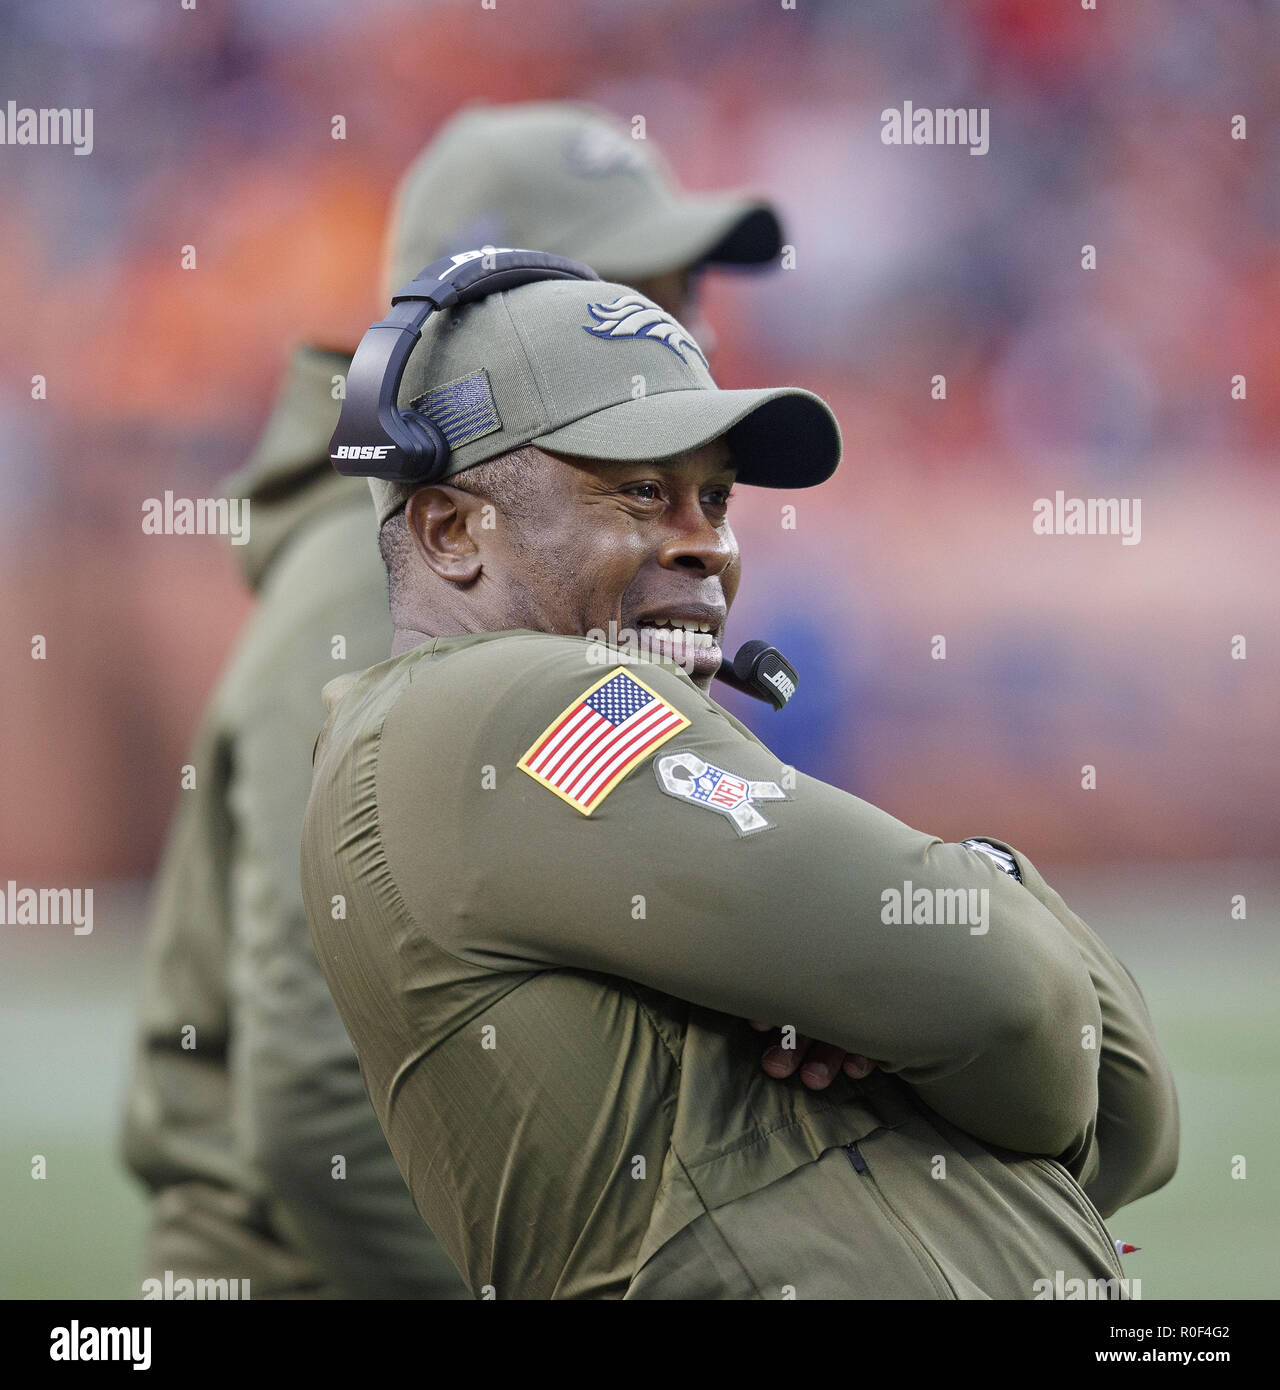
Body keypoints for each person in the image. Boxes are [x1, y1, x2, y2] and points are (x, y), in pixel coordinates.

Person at [301, 265, 1179, 1299]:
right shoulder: (513, 705)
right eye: (639, 490)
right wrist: (963, 941)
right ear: (452, 532)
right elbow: (1011, 1002)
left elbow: (1135, 1124)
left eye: (714, 496)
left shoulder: (541, 724)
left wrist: (974, 887)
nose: (707, 543)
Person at [119, 101, 785, 1299]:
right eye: (642, 296)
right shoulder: (377, 575)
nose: (691, 337)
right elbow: (321, 1083)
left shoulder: (489, 554)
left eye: (687, 296)